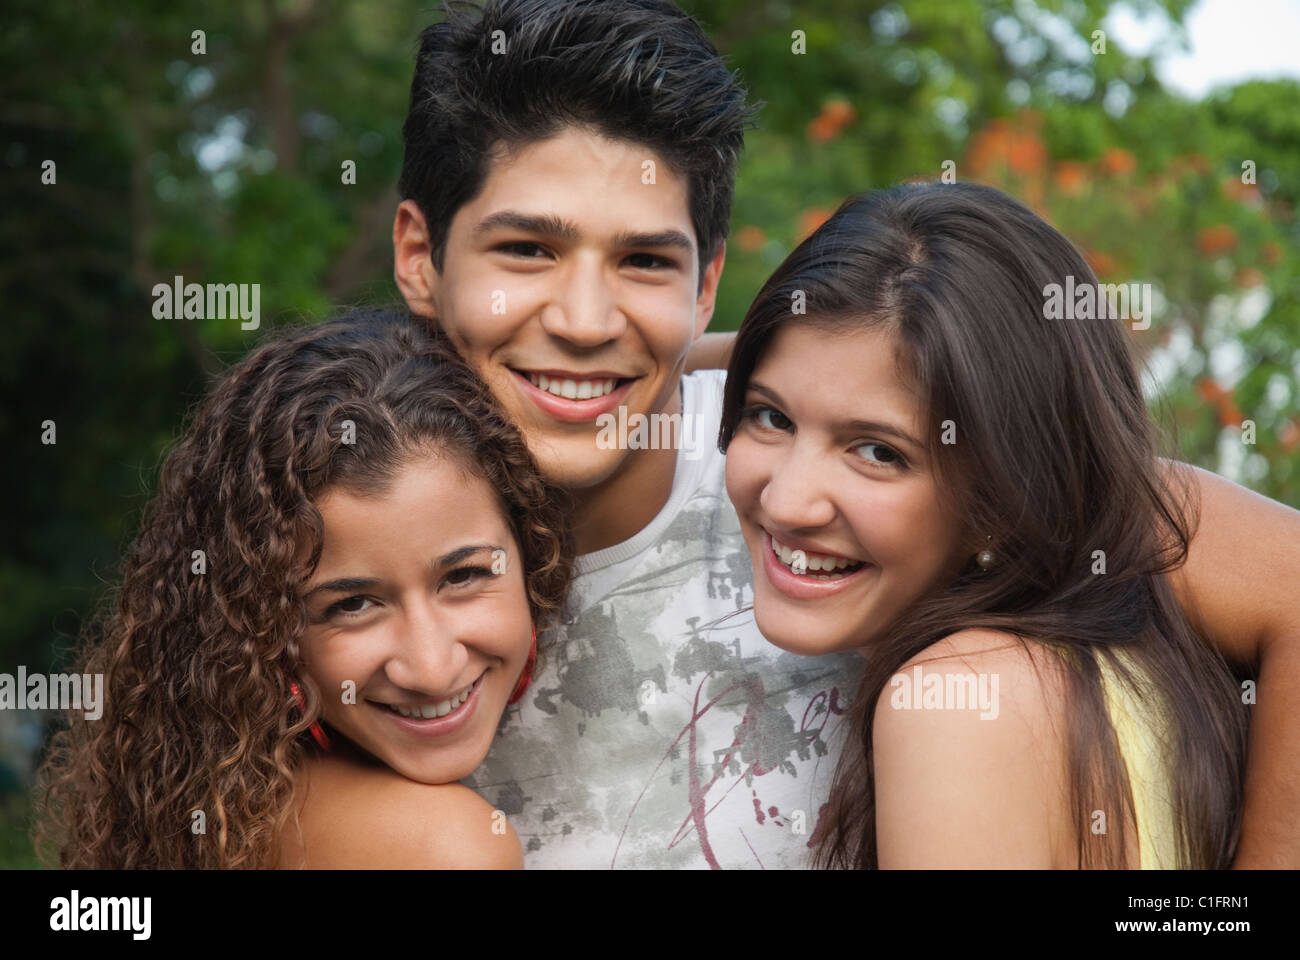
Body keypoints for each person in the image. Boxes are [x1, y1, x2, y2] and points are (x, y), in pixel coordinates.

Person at [393, 0, 1300, 867]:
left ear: (704, 283)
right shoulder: (325, 524)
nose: (588, 320)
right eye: (527, 251)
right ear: (417, 257)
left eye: (644, 262)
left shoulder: (918, 518)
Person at [718, 180, 1271, 867]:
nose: (787, 502)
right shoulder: (1120, 673)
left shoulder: (958, 706)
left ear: (1003, 497)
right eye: (771, 415)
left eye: (879, 453)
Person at [35, 311, 573, 868]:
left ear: (533, 550)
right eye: (352, 605)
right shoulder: (450, 848)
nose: (433, 667)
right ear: (258, 623)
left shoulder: (225, 807)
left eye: (463, 576)